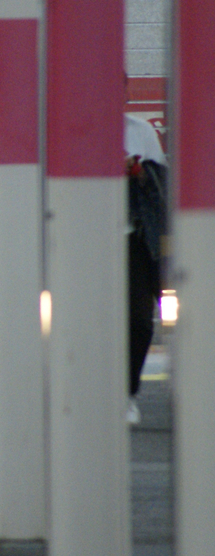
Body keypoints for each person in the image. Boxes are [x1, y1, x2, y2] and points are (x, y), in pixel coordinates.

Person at [125, 109, 167, 425]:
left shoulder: (140, 131)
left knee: (140, 321)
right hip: (88, 238)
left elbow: (161, 184)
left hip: (136, 238)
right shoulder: (67, 127)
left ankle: (126, 392)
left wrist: (138, 171)